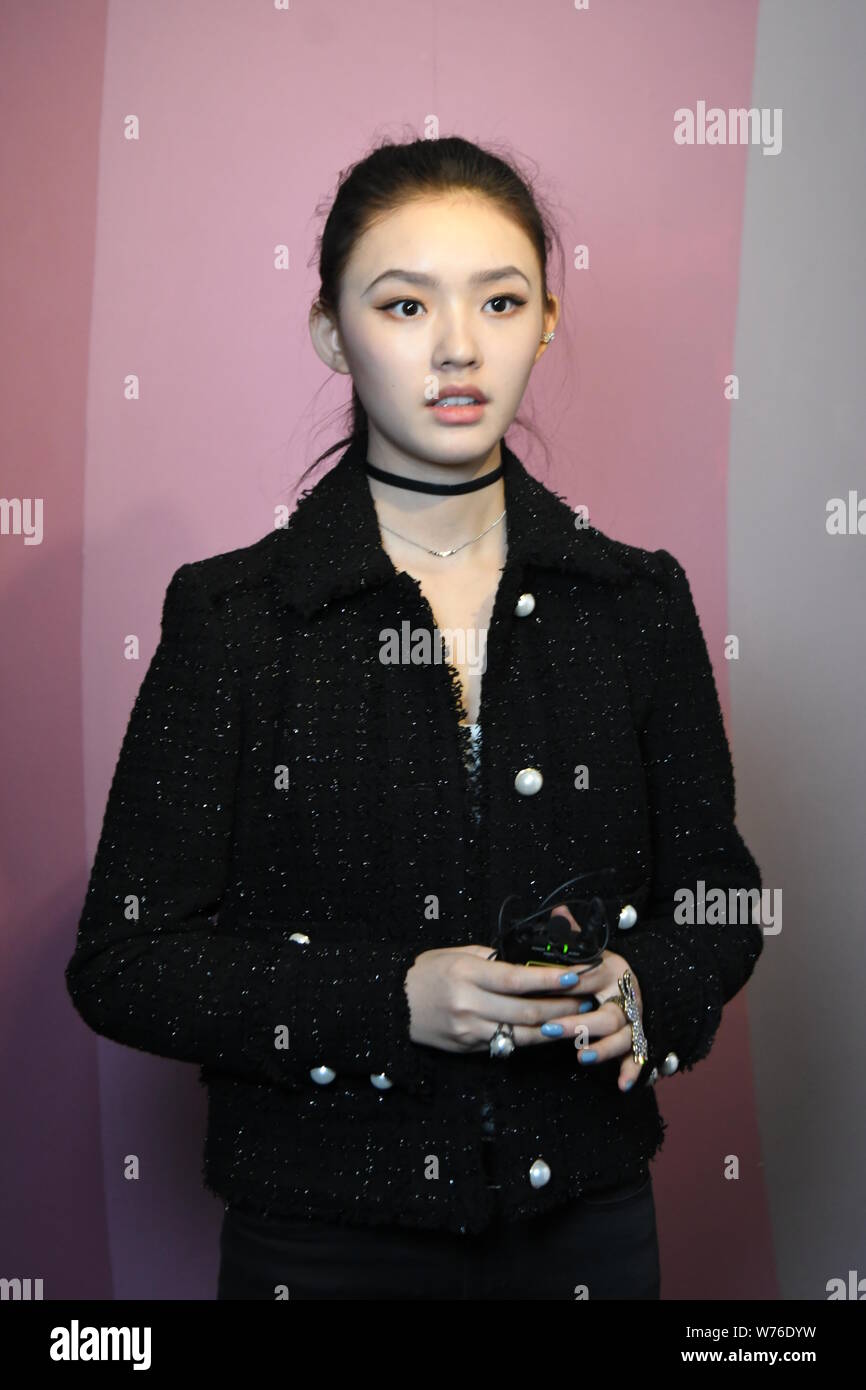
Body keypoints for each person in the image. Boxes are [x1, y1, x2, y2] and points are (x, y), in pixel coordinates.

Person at [65, 135, 764, 1300]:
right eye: (402, 304)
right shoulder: (236, 615)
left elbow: (719, 896)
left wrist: (647, 986)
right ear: (332, 333)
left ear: (545, 317)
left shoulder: (635, 600)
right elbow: (126, 963)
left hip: (587, 1219)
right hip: (321, 1237)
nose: (456, 347)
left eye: (499, 300)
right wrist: (387, 1002)